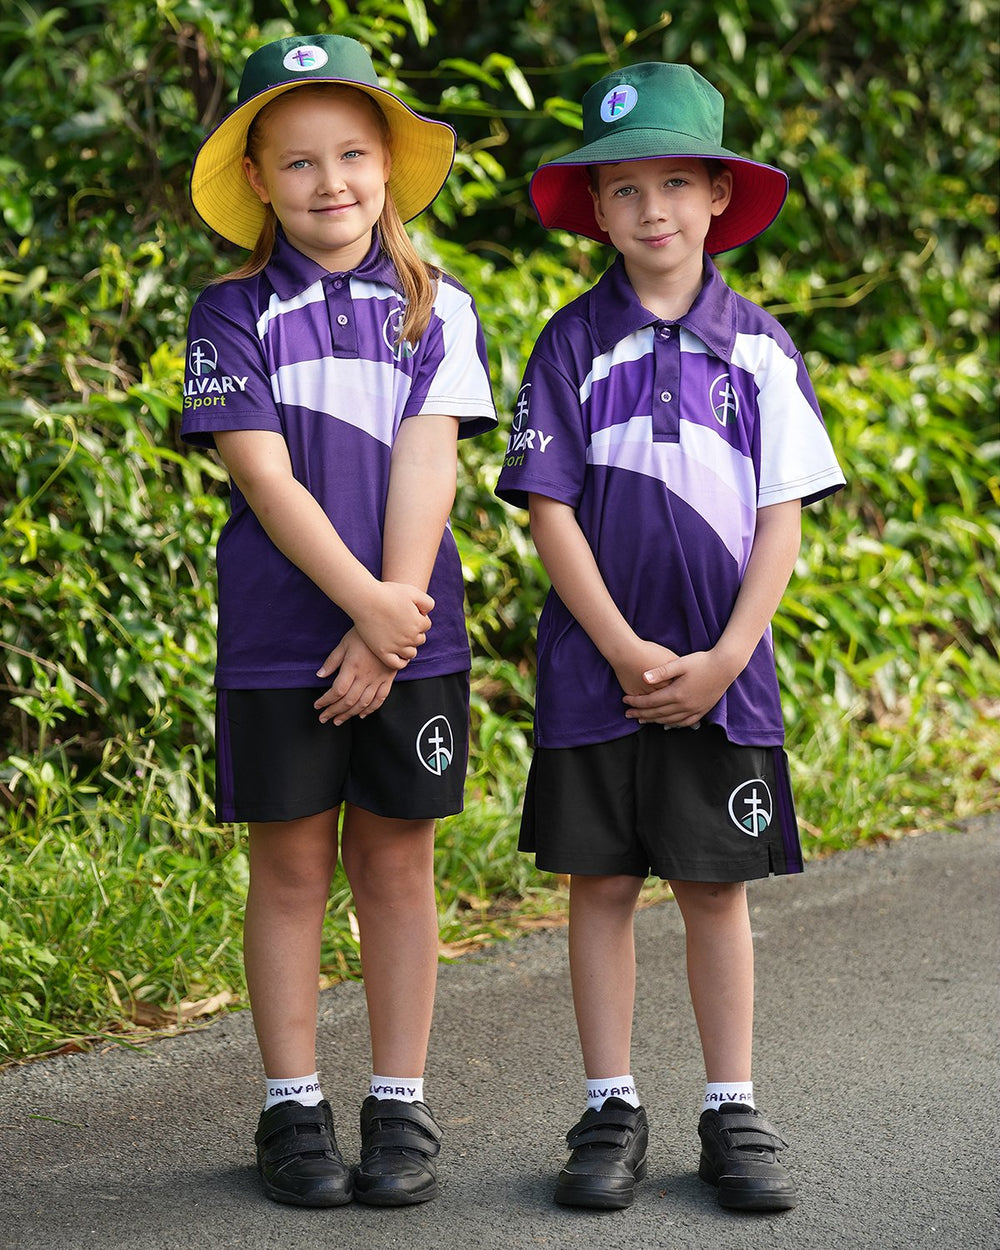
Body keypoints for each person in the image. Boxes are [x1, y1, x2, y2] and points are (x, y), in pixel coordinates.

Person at [495, 61, 845, 1213]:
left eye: (675, 184)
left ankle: (729, 1106)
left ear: (714, 201)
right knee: (596, 886)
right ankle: (609, 1104)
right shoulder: (567, 344)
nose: (652, 209)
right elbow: (548, 507)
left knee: (712, 888)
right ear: (595, 209)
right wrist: (619, 648)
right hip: (594, 678)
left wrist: (728, 655)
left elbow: (781, 511)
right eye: (626, 188)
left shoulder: (757, 348)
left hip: (724, 678)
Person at [181, 33, 496, 1209]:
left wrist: (387, 624)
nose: (332, 183)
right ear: (259, 180)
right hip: (276, 635)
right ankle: (291, 1106)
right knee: (291, 862)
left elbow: (431, 460)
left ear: (386, 166)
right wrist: (361, 608)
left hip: (412, 634)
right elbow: (262, 475)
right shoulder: (228, 314)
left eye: (353, 155)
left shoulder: (437, 307)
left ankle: (400, 1101)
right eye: (300, 162)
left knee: (397, 861)